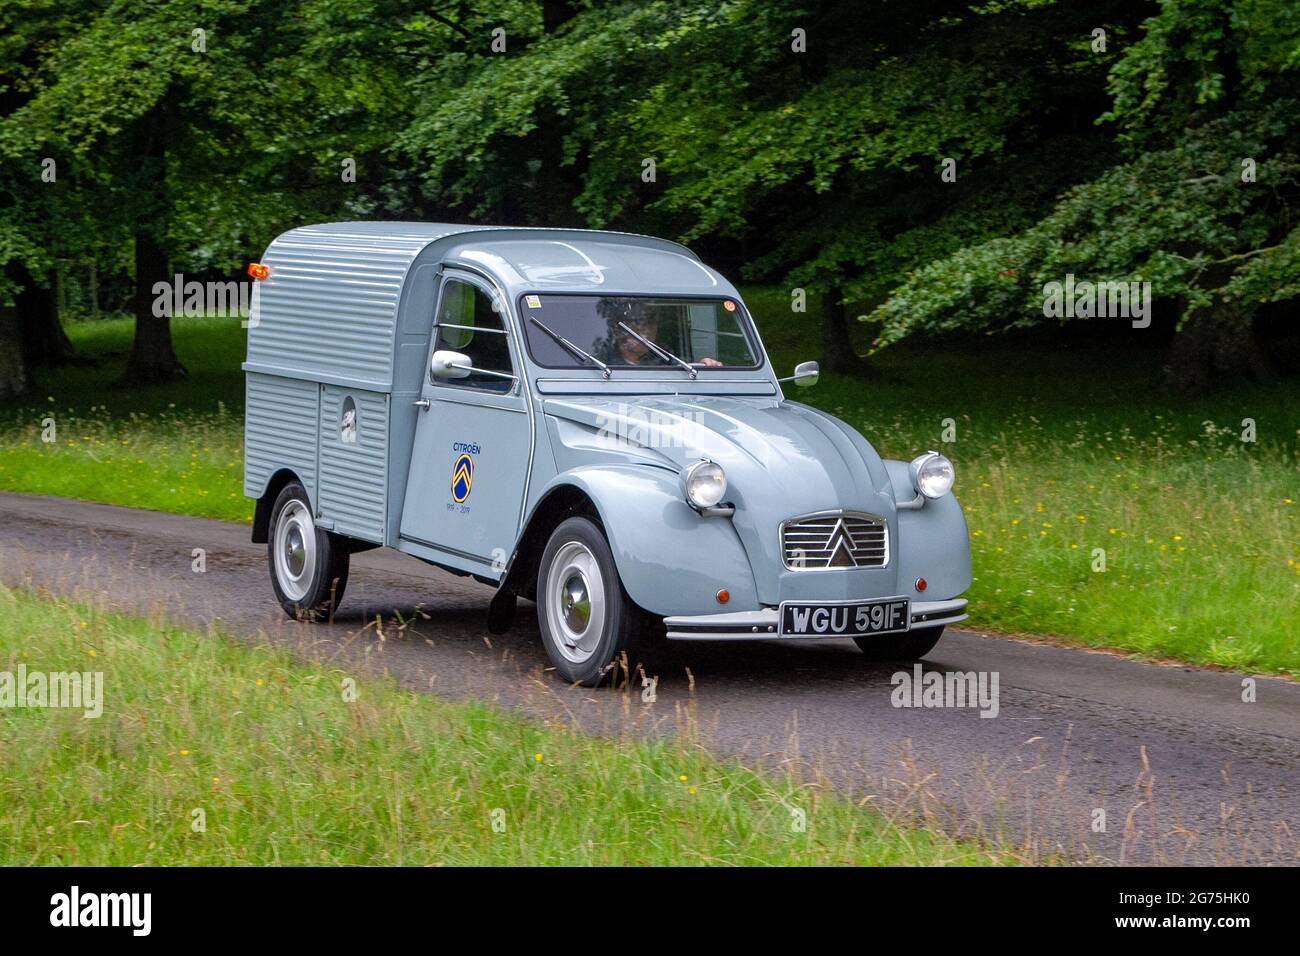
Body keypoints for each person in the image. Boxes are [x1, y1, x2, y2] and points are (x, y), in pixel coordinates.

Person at [608, 314, 722, 367]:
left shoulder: (663, 359)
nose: (647, 330)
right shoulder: (600, 360)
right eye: (639, 323)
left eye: (651, 323)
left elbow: (685, 371)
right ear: (620, 329)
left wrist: (706, 365)